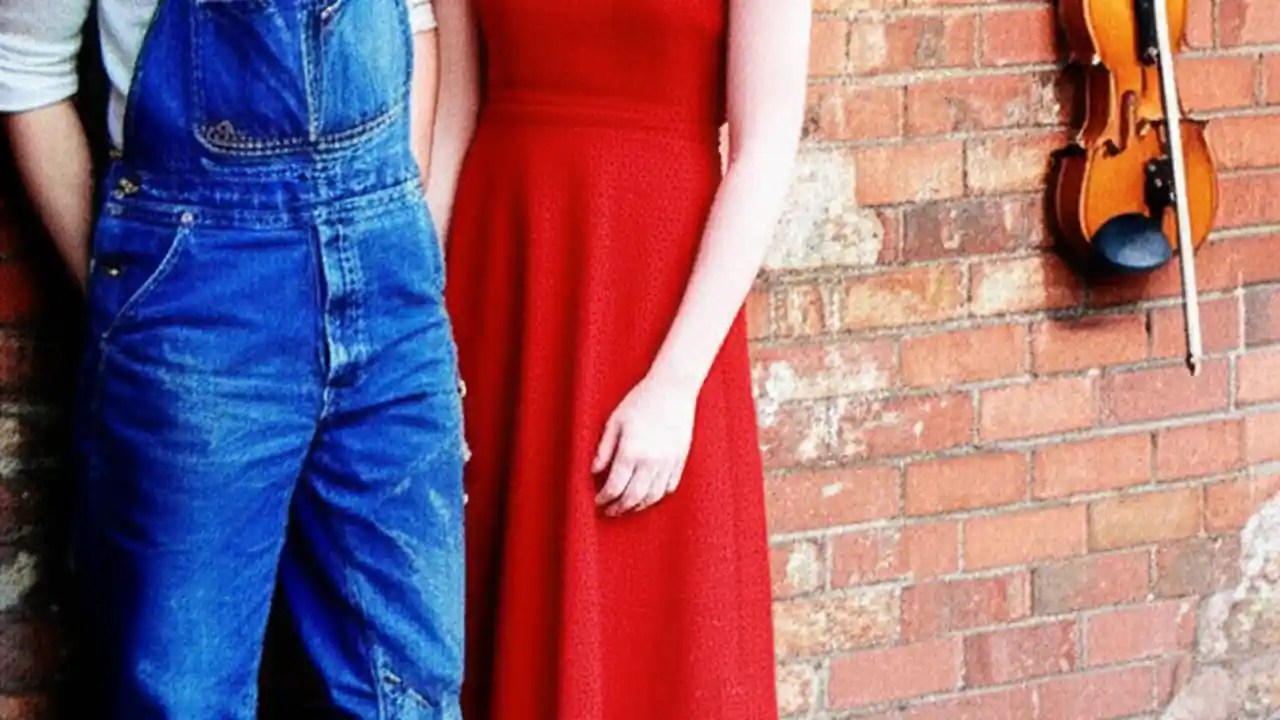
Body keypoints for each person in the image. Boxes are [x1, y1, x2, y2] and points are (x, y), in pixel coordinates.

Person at [0, 1, 467, 717]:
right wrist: (124, 292)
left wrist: (402, 253)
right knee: (183, 694)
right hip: (200, 291)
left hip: (388, 279)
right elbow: (25, 70)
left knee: (408, 691)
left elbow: (414, 26)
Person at [427, 0, 811, 717]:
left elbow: (766, 147)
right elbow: (456, 115)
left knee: (650, 632)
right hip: (500, 288)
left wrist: (675, 383)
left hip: (655, 310)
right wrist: (420, 321)